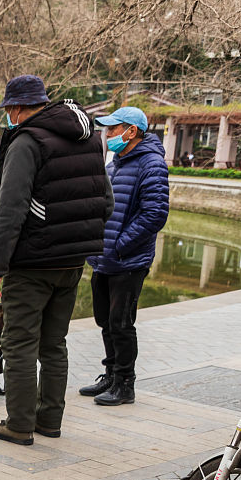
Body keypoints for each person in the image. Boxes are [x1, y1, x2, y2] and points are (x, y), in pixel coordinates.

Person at [0, 75, 113, 446]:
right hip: (72, 262)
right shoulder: (88, 137)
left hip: (32, 262)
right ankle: (49, 420)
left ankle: (19, 424)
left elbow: (11, 209)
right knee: (54, 343)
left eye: (9, 110)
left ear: (18, 108)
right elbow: (106, 200)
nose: (9, 117)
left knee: (18, 343)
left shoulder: (27, 141)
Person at [79, 106, 169, 406]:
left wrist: (120, 244)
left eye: (113, 129)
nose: (108, 134)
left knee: (121, 323)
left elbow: (155, 213)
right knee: (105, 320)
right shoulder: (116, 162)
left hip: (128, 261)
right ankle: (110, 374)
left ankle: (125, 384)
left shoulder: (151, 163)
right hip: (105, 258)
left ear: (131, 131)